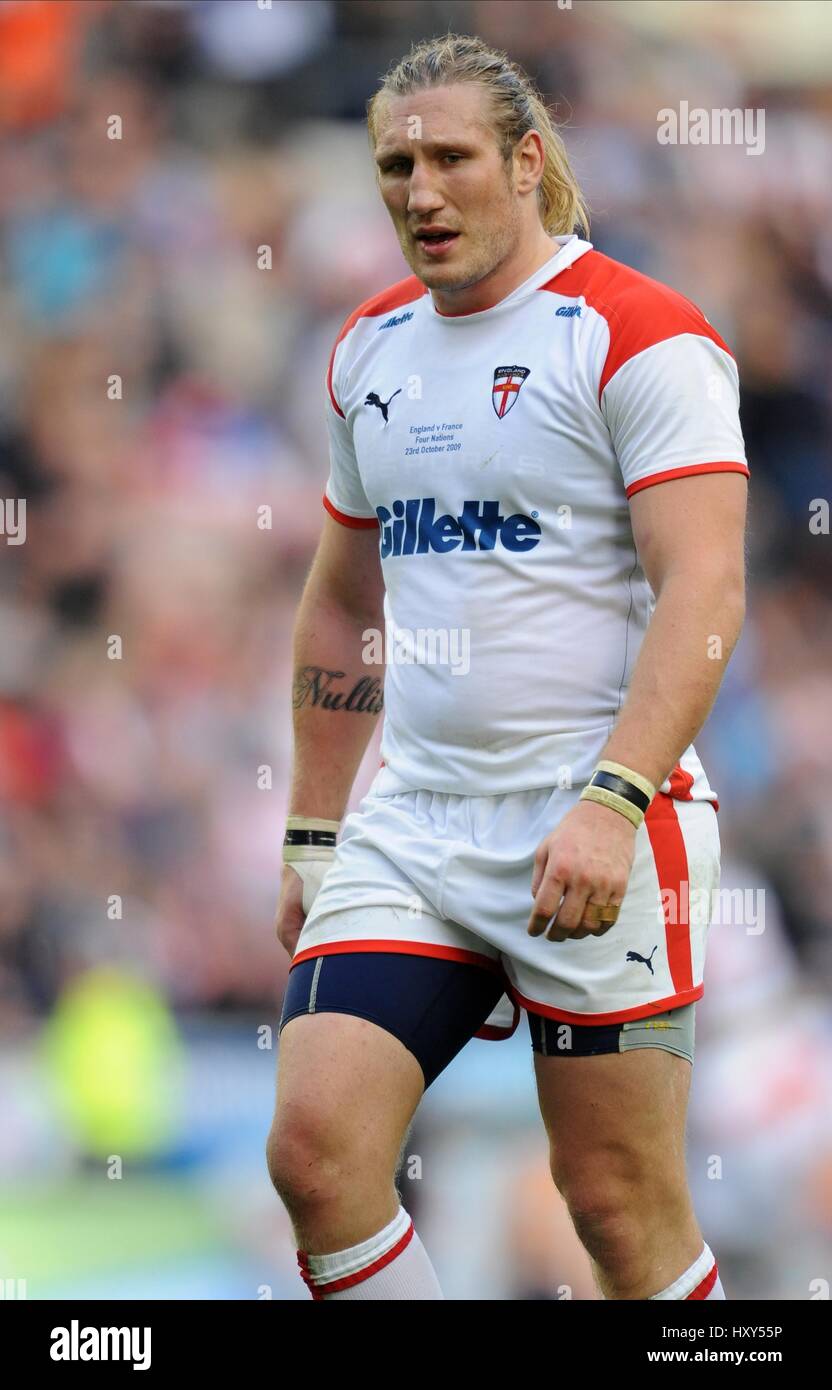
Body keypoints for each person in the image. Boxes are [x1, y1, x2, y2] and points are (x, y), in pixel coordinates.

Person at [266, 33, 748, 1301]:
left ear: (526, 162)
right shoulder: (366, 350)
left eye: (449, 158)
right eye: (393, 165)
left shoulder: (640, 334)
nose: (418, 191)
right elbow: (341, 605)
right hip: (414, 824)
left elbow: (705, 590)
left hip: (594, 820)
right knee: (316, 1157)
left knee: (616, 1210)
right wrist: (315, 829)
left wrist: (613, 798)